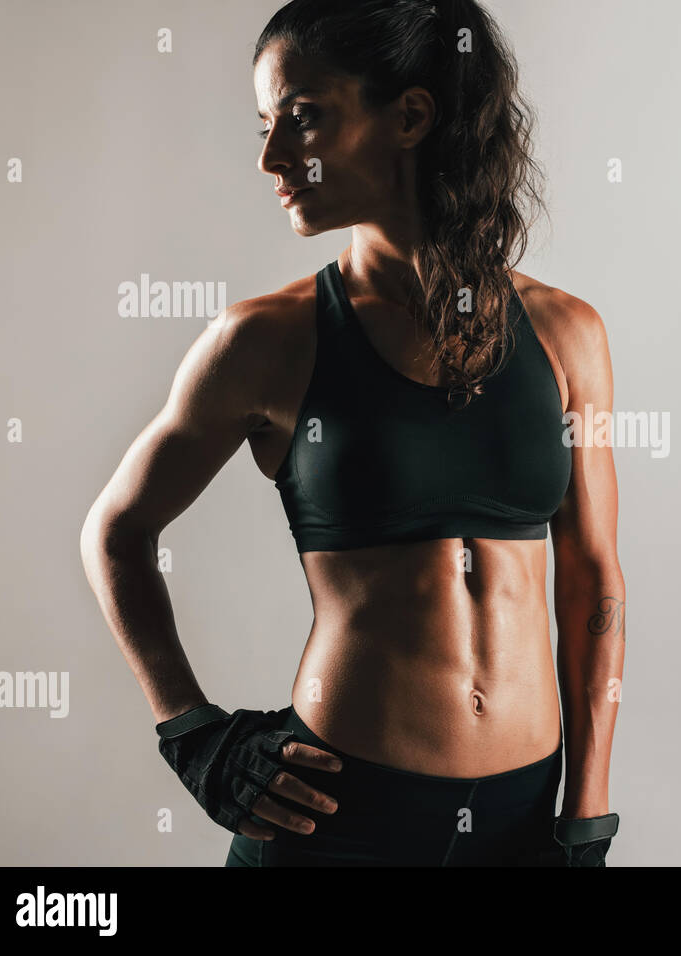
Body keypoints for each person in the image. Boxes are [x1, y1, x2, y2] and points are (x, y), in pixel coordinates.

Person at [79, 0, 624, 866]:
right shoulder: (265, 341)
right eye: (265, 126)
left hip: (525, 820)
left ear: (409, 115)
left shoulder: (567, 333)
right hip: (333, 818)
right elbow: (117, 533)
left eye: (301, 119)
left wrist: (587, 815)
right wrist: (192, 734)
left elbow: (592, 582)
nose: (271, 157)